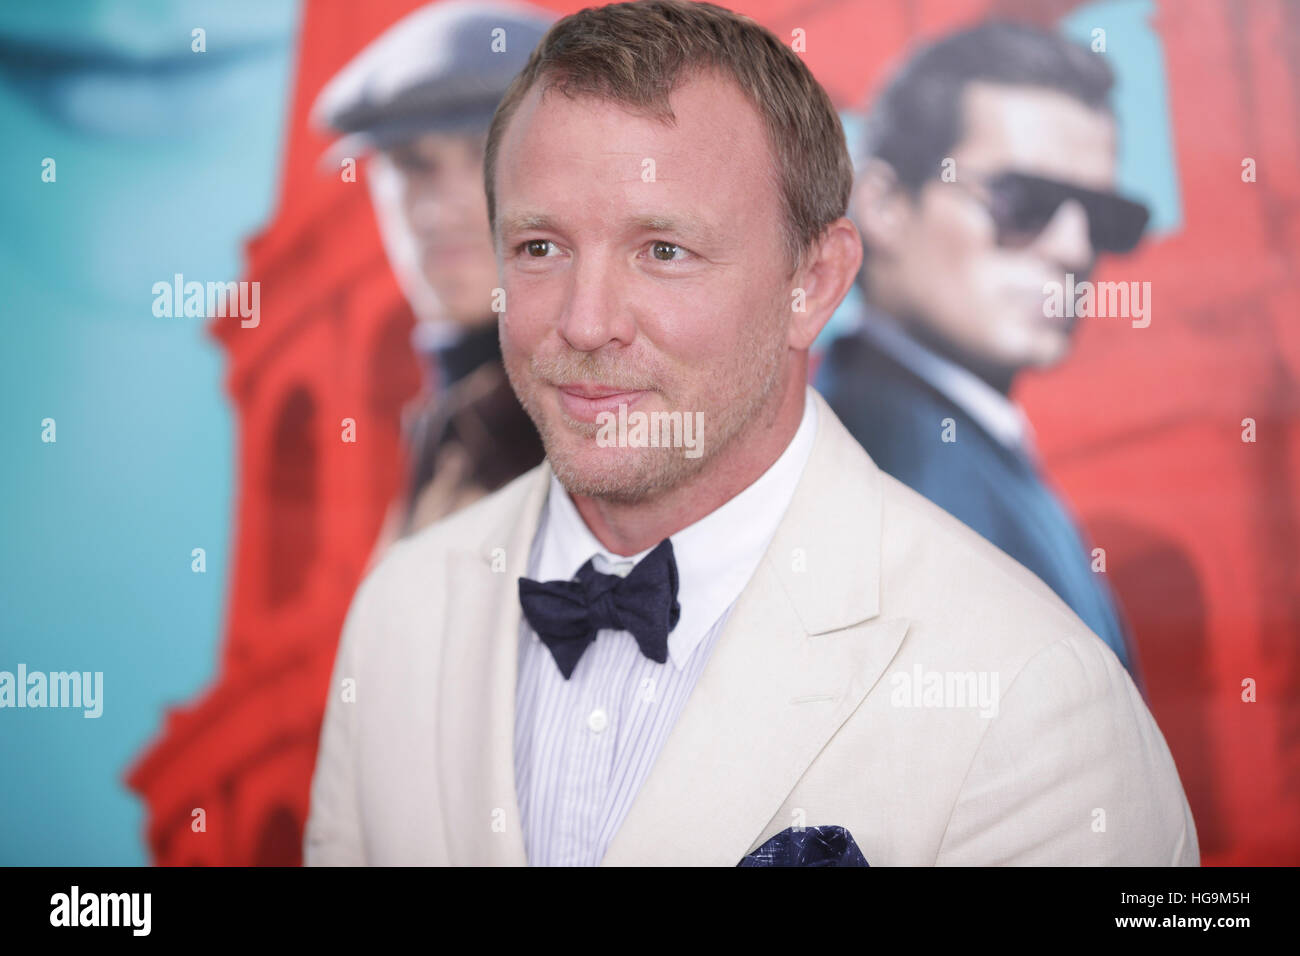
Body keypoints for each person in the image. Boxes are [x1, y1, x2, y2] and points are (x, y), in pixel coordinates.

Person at [304, 0, 1196, 866]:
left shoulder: (1034, 696)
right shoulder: (396, 614)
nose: (586, 321)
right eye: (542, 247)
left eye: (664, 251)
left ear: (814, 282)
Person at [815, 21, 1149, 678]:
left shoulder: (947, 447)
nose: (1074, 248)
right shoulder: (880, 471)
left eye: (1104, 216)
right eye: (1023, 201)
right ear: (881, 205)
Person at [312, 0, 552, 553]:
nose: (444, 209)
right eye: (411, 163)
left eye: (487, 154)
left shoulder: (612, 429)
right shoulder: (455, 424)